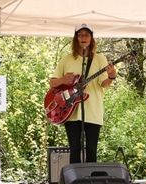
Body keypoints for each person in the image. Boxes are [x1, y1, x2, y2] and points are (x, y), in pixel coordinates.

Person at [48, 23, 117, 164]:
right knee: (74, 149)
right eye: (79, 35)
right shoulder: (66, 59)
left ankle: (90, 183)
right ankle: (75, 183)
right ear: (75, 38)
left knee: (91, 149)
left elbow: (103, 84)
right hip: (70, 111)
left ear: (91, 38)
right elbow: (52, 83)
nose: (83, 38)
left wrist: (111, 76)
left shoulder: (99, 59)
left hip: (93, 110)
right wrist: (63, 79)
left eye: (86, 35)